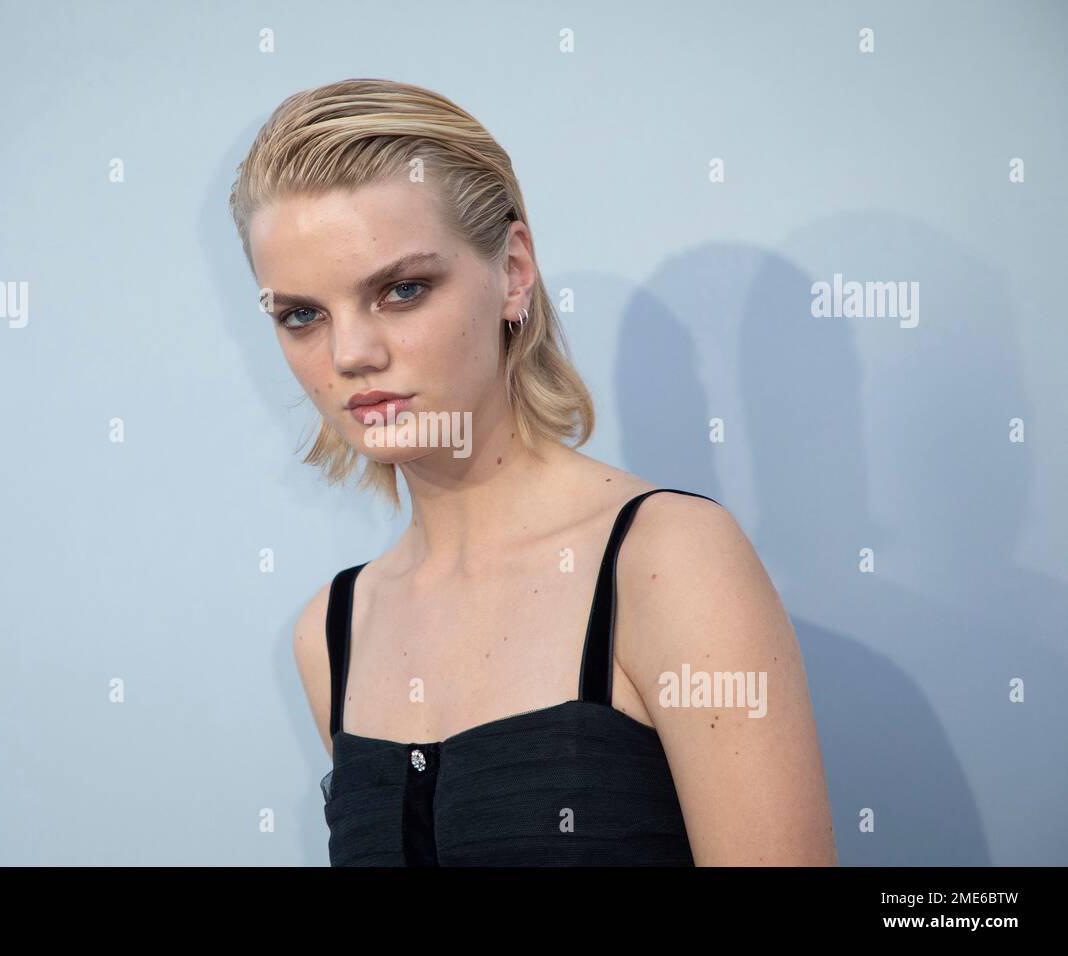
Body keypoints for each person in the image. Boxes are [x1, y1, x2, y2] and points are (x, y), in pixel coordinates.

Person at [229, 78, 836, 866]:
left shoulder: (667, 562)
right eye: (301, 315)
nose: (350, 354)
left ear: (513, 270)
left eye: (402, 290)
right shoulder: (333, 632)